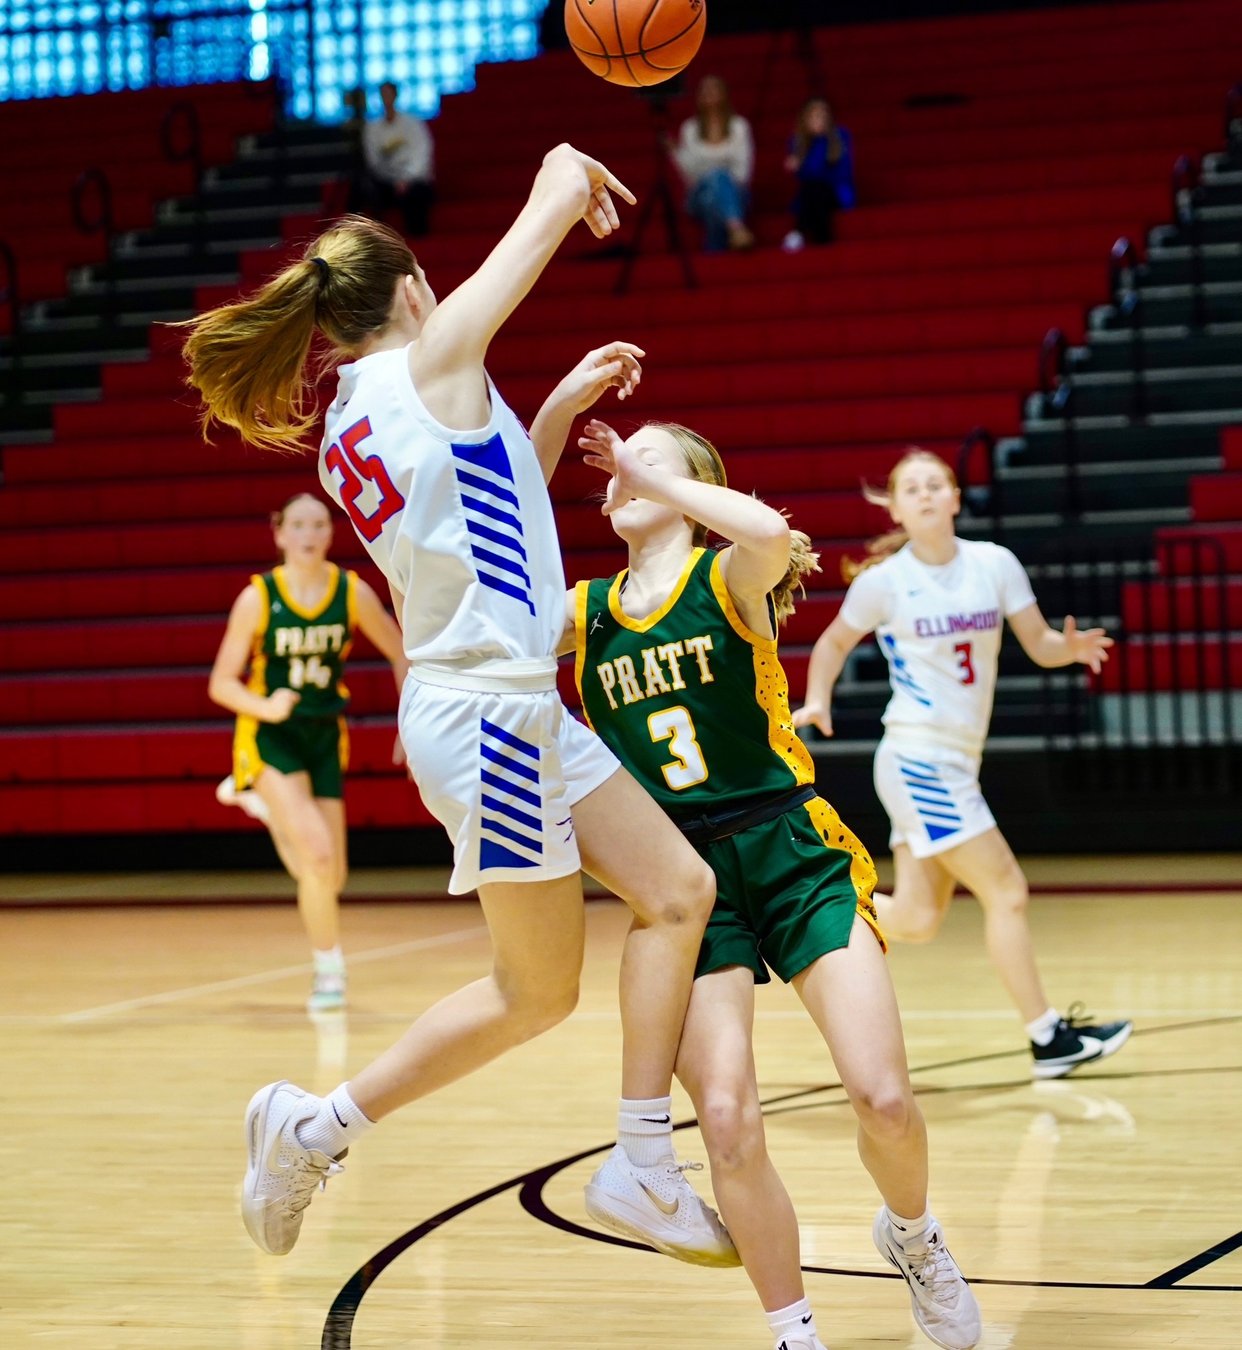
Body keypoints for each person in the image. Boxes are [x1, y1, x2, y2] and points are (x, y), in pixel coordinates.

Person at [179, 146, 735, 1270]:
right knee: (535, 992)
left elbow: (483, 515)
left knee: (678, 890)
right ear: (415, 287)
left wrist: (562, 404)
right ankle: (318, 1129)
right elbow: (541, 213)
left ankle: (632, 1157)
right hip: (491, 717)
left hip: (505, 702)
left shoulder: (353, 418)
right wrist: (570, 168)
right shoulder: (428, 361)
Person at [568, 419, 982, 1350]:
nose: (626, 470)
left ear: (694, 484)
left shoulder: (728, 574)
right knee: (723, 1117)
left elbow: (769, 535)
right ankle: (793, 1332)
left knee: (882, 1097)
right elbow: (483, 625)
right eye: (618, 464)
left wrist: (657, 480)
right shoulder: (584, 610)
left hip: (790, 847)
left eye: (652, 458)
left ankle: (913, 1237)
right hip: (681, 880)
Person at [794, 449, 1133, 1079]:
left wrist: (1071, 647)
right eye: (910, 489)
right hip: (920, 759)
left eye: (935, 485)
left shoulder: (993, 564)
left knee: (919, 920)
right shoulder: (886, 582)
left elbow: (1038, 642)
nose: (924, 495)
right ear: (895, 508)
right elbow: (836, 641)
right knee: (1006, 890)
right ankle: (1047, 1038)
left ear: (954, 498)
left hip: (953, 760)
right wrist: (817, 698)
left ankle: (796, 911)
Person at [208, 492, 408, 1011]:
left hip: (324, 735)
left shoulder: (350, 591)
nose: (309, 533)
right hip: (270, 735)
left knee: (329, 874)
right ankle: (328, 972)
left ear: (330, 533)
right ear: (279, 534)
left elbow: (402, 653)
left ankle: (260, 804)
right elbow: (221, 684)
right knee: (316, 855)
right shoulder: (258, 597)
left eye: (319, 523)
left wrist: (408, 724)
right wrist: (267, 706)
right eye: (297, 524)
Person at [671, 74, 755, 252]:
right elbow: (690, 174)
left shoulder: (739, 127)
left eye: (714, 88)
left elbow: (742, 172)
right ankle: (736, 228)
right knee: (715, 181)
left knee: (712, 198)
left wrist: (716, 177)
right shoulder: (689, 129)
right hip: (697, 194)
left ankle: (715, 250)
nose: (709, 93)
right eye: (704, 90)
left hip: (735, 191)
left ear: (724, 93)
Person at [782, 97, 855, 252]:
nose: (818, 120)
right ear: (805, 120)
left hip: (835, 190)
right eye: (813, 116)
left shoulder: (840, 137)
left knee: (817, 189)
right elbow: (803, 178)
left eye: (822, 116)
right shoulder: (797, 142)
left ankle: (798, 232)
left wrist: (805, 161)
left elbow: (842, 173)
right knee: (813, 190)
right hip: (809, 193)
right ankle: (823, 239)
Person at [362, 80, 435, 236]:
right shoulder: (372, 128)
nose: (386, 98)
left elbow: (422, 154)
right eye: (383, 94)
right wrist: (393, 180)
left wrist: (407, 179)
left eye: (389, 94)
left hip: (414, 181)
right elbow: (373, 161)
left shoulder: (413, 124)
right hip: (386, 181)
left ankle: (418, 238)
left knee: (416, 197)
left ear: (395, 95)